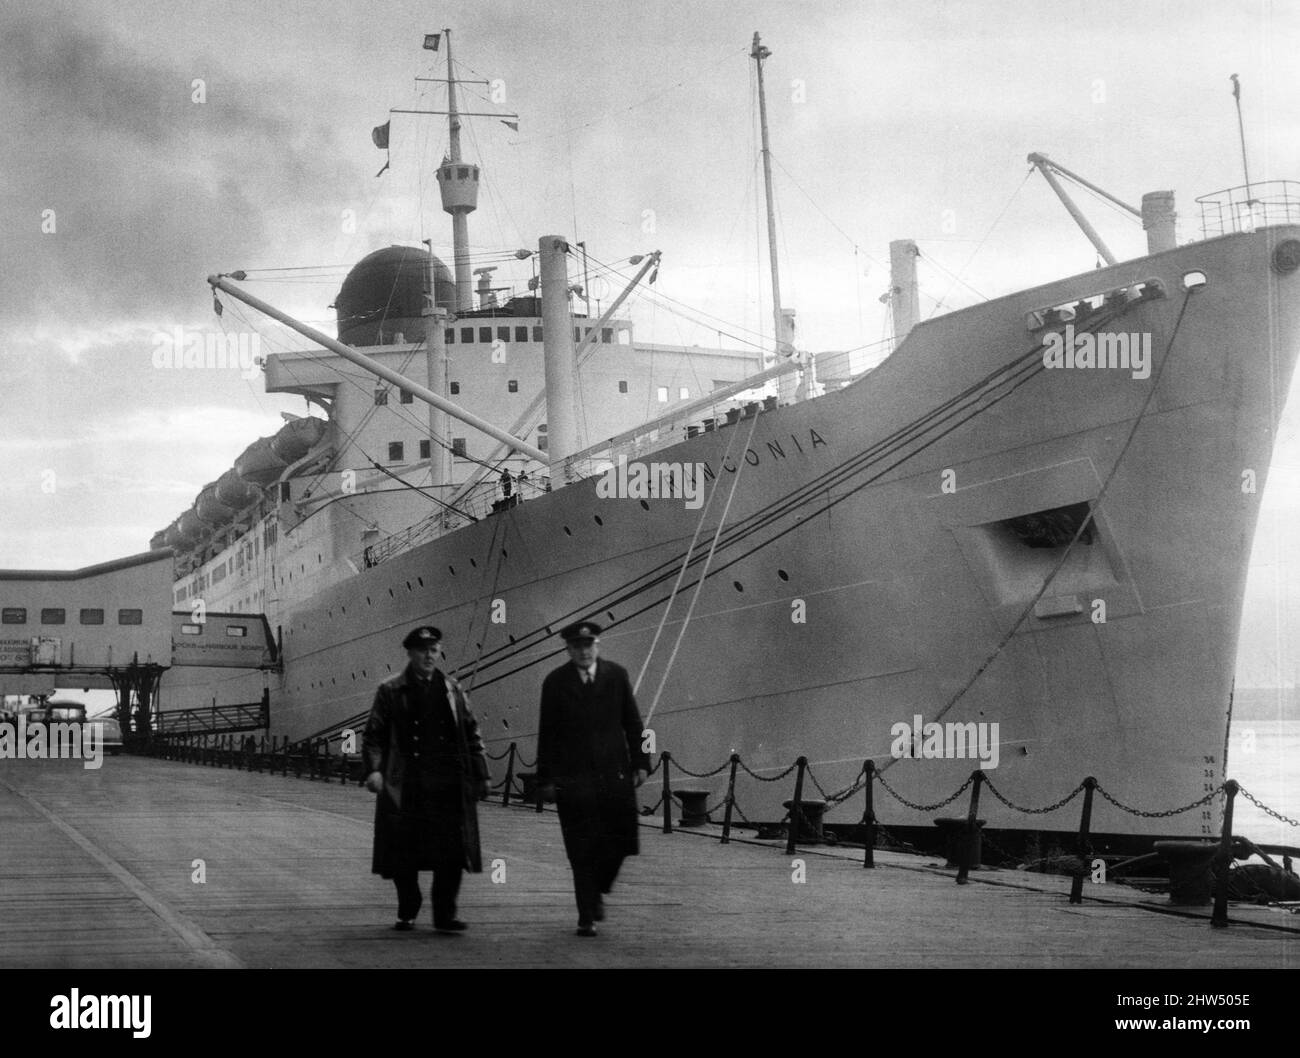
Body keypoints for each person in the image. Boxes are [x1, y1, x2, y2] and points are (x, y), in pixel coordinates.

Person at [363, 626, 490, 933]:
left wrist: (481, 775)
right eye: (423, 651)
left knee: (452, 853)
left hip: (448, 786)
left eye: (434, 650)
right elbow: (373, 735)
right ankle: (409, 903)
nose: (429, 656)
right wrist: (374, 769)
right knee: (403, 852)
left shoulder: (453, 689)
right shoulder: (390, 689)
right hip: (406, 785)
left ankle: (445, 915)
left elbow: (472, 734)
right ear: (410, 653)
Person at [536, 621, 650, 936]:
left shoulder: (617, 675)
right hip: (574, 781)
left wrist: (641, 762)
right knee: (581, 850)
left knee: (621, 843)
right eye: (577, 647)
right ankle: (586, 915)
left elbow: (633, 722)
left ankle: (599, 887)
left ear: (597, 646)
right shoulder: (555, 683)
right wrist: (545, 780)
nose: (584, 652)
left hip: (614, 776)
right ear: (568, 649)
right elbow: (547, 734)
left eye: (588, 646)